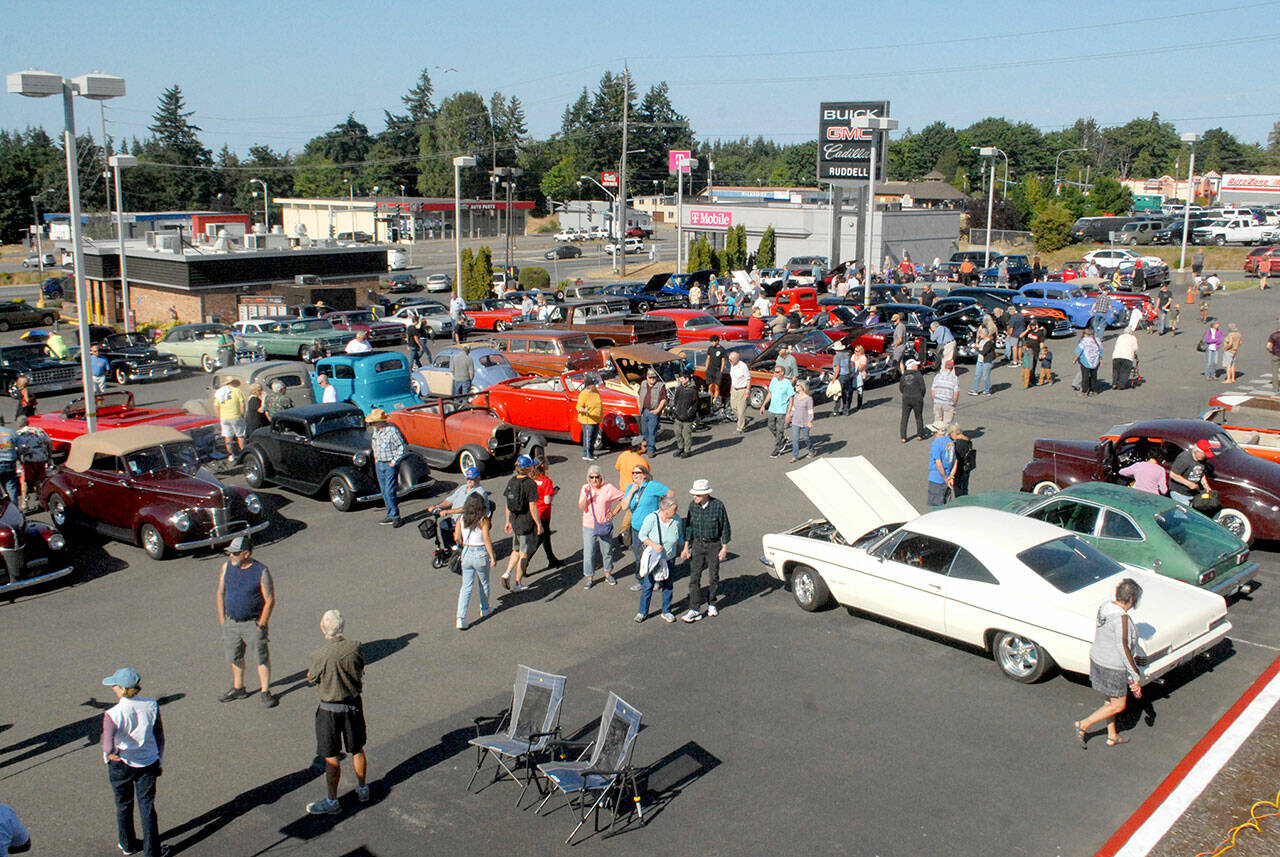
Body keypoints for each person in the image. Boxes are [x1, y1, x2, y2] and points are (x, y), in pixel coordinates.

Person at [305, 610, 369, 814]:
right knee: (357, 749)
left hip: (329, 710)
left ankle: (332, 801)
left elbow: (311, 678)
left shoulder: (319, 655)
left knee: (331, 756)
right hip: (353, 705)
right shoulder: (355, 646)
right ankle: (363, 788)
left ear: (323, 628)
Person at [100, 667, 168, 857]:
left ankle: (127, 844)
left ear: (122, 689)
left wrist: (114, 753)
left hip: (121, 764)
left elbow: (107, 746)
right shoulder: (152, 705)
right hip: (148, 762)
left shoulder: (112, 714)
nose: (113, 688)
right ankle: (152, 852)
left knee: (123, 804)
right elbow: (160, 737)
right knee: (147, 806)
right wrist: (159, 761)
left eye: (115, 686)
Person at [1074, 579, 1143, 749]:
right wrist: (1134, 674)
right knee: (1118, 704)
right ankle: (1083, 724)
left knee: (1109, 701)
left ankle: (1112, 736)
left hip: (1098, 658)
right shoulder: (1121, 618)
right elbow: (1123, 646)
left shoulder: (1105, 607)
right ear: (1132, 599)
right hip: (1112, 666)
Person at [215, 535, 277, 708]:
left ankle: (265, 691)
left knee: (261, 658)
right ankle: (239, 688)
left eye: (235, 553)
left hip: (253, 623)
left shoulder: (261, 571)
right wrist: (223, 620)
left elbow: (270, 600)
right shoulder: (226, 567)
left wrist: (262, 624)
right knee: (235, 656)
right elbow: (220, 593)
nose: (231, 556)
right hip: (231, 623)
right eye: (230, 553)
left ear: (246, 554)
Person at [680, 478, 731, 622]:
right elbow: (689, 527)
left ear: (706, 494)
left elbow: (725, 527)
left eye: (698, 495)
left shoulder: (718, 505)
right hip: (697, 544)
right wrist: (686, 547)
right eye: (694, 494)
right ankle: (694, 608)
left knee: (713, 576)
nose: (694, 497)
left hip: (714, 545)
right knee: (694, 577)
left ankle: (712, 603)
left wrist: (724, 548)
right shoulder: (692, 506)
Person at [622, 465, 673, 587]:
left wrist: (663, 509)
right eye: (633, 473)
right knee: (639, 556)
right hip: (636, 528)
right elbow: (624, 506)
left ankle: (656, 579)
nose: (634, 475)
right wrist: (632, 491)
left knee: (653, 554)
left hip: (651, 529)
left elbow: (670, 493)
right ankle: (641, 580)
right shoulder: (630, 488)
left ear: (644, 475)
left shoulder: (652, 486)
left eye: (637, 472)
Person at [636, 497, 683, 623]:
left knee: (668, 584)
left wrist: (683, 549)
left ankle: (666, 611)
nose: (676, 511)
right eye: (674, 509)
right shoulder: (652, 518)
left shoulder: (677, 519)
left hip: (669, 558)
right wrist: (654, 545)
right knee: (648, 585)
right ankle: (642, 612)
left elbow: (680, 536)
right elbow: (642, 535)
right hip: (654, 559)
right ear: (665, 510)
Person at [579, 463, 625, 588]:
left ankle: (608, 574)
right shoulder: (585, 488)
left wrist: (614, 512)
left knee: (607, 551)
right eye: (591, 477)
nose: (594, 479)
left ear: (601, 477)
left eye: (597, 477)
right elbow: (582, 507)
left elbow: (623, 498)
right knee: (588, 553)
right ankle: (589, 577)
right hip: (589, 526)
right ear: (588, 478)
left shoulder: (608, 488)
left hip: (604, 524)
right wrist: (587, 495)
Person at [501, 454, 542, 592]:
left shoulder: (512, 481)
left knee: (515, 550)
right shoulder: (529, 483)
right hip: (526, 523)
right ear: (528, 468)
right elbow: (532, 506)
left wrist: (507, 521)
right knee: (524, 554)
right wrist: (539, 524)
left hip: (515, 521)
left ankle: (507, 572)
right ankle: (517, 583)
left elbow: (507, 504)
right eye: (532, 465)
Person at [455, 493, 495, 630]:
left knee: (466, 587)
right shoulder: (483, 520)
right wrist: (492, 557)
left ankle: (460, 618)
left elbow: (457, 538)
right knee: (483, 583)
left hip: (466, 553)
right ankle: (485, 608)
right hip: (480, 553)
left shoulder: (461, 518)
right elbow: (486, 539)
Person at [428, 466, 488, 550]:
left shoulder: (480, 492)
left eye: (472, 479)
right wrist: (438, 506)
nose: (469, 481)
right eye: (468, 478)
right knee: (444, 524)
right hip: (456, 519)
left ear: (478, 478)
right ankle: (451, 548)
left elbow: (467, 508)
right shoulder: (463, 488)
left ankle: (461, 549)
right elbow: (450, 500)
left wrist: (448, 512)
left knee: (459, 532)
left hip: (470, 520)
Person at [367, 408, 407, 527]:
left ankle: (395, 516)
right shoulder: (376, 431)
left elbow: (401, 447)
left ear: (381, 421)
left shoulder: (392, 431)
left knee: (390, 490)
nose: (372, 425)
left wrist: (394, 462)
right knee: (384, 491)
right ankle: (390, 514)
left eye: (374, 422)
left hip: (389, 464)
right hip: (380, 463)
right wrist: (376, 459)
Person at [531, 459, 561, 568]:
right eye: (547, 463)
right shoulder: (546, 481)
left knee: (546, 537)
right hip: (544, 513)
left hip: (533, 511)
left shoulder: (532, 478)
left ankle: (551, 559)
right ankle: (525, 560)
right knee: (540, 538)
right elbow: (547, 500)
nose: (548, 464)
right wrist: (554, 492)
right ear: (543, 466)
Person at [760, 366, 794, 458]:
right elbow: (770, 393)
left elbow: (791, 398)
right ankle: (782, 439)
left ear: (782, 373)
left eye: (777, 372)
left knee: (779, 430)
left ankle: (778, 449)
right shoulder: (774, 381)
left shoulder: (787, 383)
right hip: (772, 409)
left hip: (782, 410)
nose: (775, 373)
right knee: (770, 426)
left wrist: (788, 413)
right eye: (775, 372)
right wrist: (763, 405)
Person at [1168, 439, 1214, 505]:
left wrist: (1206, 486)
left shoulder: (1202, 459)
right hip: (1179, 492)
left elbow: (1201, 473)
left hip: (1191, 493)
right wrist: (1189, 484)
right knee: (1184, 510)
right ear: (1197, 451)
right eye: (1204, 454)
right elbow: (1173, 474)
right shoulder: (1184, 458)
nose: (1205, 456)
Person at [213, 376, 247, 458]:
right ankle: (243, 453)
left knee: (228, 437)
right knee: (240, 435)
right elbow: (242, 404)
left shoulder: (220, 392)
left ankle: (231, 455)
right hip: (235, 416)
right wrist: (242, 414)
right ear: (233, 383)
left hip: (224, 418)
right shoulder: (237, 391)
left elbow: (215, 405)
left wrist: (219, 416)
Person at [636, 369, 666, 455]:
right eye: (650, 377)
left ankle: (651, 450)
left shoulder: (660, 386)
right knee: (645, 431)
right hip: (644, 411)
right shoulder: (643, 384)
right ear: (647, 377)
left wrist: (657, 410)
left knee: (652, 431)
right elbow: (638, 395)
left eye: (654, 377)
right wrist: (640, 407)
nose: (652, 379)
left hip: (653, 412)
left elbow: (663, 399)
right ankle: (650, 445)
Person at [671, 370, 700, 458]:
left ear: (687, 379)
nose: (680, 380)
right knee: (677, 432)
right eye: (680, 378)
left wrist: (690, 413)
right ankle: (680, 448)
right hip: (678, 415)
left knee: (686, 434)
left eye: (682, 378)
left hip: (688, 417)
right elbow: (676, 400)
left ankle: (687, 451)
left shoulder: (693, 390)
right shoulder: (679, 388)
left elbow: (695, 405)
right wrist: (675, 409)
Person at [785, 379, 815, 462]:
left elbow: (810, 411)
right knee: (795, 439)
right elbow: (794, 408)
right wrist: (790, 416)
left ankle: (811, 450)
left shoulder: (808, 399)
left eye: (797, 385)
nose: (795, 386)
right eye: (796, 385)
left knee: (806, 438)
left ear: (802, 387)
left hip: (805, 422)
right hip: (795, 421)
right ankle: (795, 456)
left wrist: (810, 421)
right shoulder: (795, 396)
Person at [926, 423, 955, 507]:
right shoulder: (950, 442)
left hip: (936, 479)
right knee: (946, 505)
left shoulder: (936, 443)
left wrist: (945, 478)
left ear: (936, 432)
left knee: (935, 507)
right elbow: (954, 460)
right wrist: (950, 476)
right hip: (948, 477)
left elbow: (938, 463)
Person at [576, 373, 603, 461]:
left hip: (596, 419)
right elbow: (578, 407)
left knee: (594, 438)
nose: (595, 386)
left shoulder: (596, 391)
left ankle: (591, 453)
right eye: (593, 384)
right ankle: (587, 455)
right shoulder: (583, 394)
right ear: (588, 385)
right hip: (588, 420)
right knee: (588, 438)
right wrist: (584, 410)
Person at [899, 359, 926, 443]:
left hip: (906, 398)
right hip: (917, 397)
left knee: (904, 417)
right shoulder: (918, 374)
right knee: (918, 417)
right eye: (915, 365)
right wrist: (921, 395)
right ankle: (920, 435)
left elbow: (901, 388)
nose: (917, 366)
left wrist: (905, 393)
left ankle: (903, 437)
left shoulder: (903, 376)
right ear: (912, 366)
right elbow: (923, 387)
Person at [930, 360, 959, 430]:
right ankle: (945, 435)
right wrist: (954, 403)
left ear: (945, 366)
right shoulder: (954, 378)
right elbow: (956, 393)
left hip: (937, 401)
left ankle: (938, 435)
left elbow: (933, 390)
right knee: (947, 423)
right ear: (952, 368)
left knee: (937, 423)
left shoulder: (937, 376)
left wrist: (935, 400)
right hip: (948, 403)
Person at [728, 350, 752, 432]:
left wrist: (748, 391)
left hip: (742, 390)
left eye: (731, 360)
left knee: (741, 410)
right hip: (734, 390)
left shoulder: (743, 366)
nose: (729, 361)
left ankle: (740, 428)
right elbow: (733, 378)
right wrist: (731, 388)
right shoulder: (732, 365)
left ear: (736, 359)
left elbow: (748, 379)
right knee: (733, 407)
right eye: (729, 360)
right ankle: (743, 420)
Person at [1074, 330, 1101, 397]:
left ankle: (1084, 391)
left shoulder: (1084, 341)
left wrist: (1075, 359)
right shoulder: (1097, 340)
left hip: (1085, 360)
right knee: (1093, 376)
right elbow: (1101, 350)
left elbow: (1078, 351)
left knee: (1085, 376)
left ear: (1086, 334)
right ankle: (1093, 390)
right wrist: (1101, 359)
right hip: (1095, 360)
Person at [969, 328, 995, 396]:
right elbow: (980, 348)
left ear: (984, 334)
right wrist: (979, 347)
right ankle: (975, 389)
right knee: (977, 375)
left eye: (980, 333)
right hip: (979, 361)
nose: (979, 335)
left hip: (987, 361)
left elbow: (983, 352)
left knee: (985, 377)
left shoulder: (989, 342)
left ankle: (987, 390)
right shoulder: (981, 340)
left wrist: (977, 348)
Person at [831, 340, 854, 415]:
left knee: (837, 393)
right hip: (847, 375)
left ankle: (836, 410)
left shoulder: (837, 357)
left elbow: (837, 368)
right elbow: (850, 365)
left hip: (840, 376)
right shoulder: (846, 355)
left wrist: (834, 378)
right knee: (845, 392)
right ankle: (846, 409)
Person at [950, 425, 975, 497]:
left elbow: (957, 457)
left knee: (958, 490)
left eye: (951, 433)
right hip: (966, 468)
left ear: (954, 433)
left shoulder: (959, 444)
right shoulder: (968, 440)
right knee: (965, 488)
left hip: (959, 471)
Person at [704, 335, 727, 411]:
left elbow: (723, 361)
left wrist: (721, 371)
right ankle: (709, 400)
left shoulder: (722, 350)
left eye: (713, 342)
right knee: (710, 386)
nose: (712, 343)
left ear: (717, 341)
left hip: (717, 371)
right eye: (711, 342)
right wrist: (706, 368)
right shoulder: (710, 348)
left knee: (717, 387)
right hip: (710, 370)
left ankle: (715, 401)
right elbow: (708, 358)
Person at [1269, 320, 1280, 393]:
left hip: (1275, 354)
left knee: (1275, 372)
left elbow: (1268, 346)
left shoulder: (1273, 335)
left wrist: (1271, 351)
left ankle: (1276, 388)